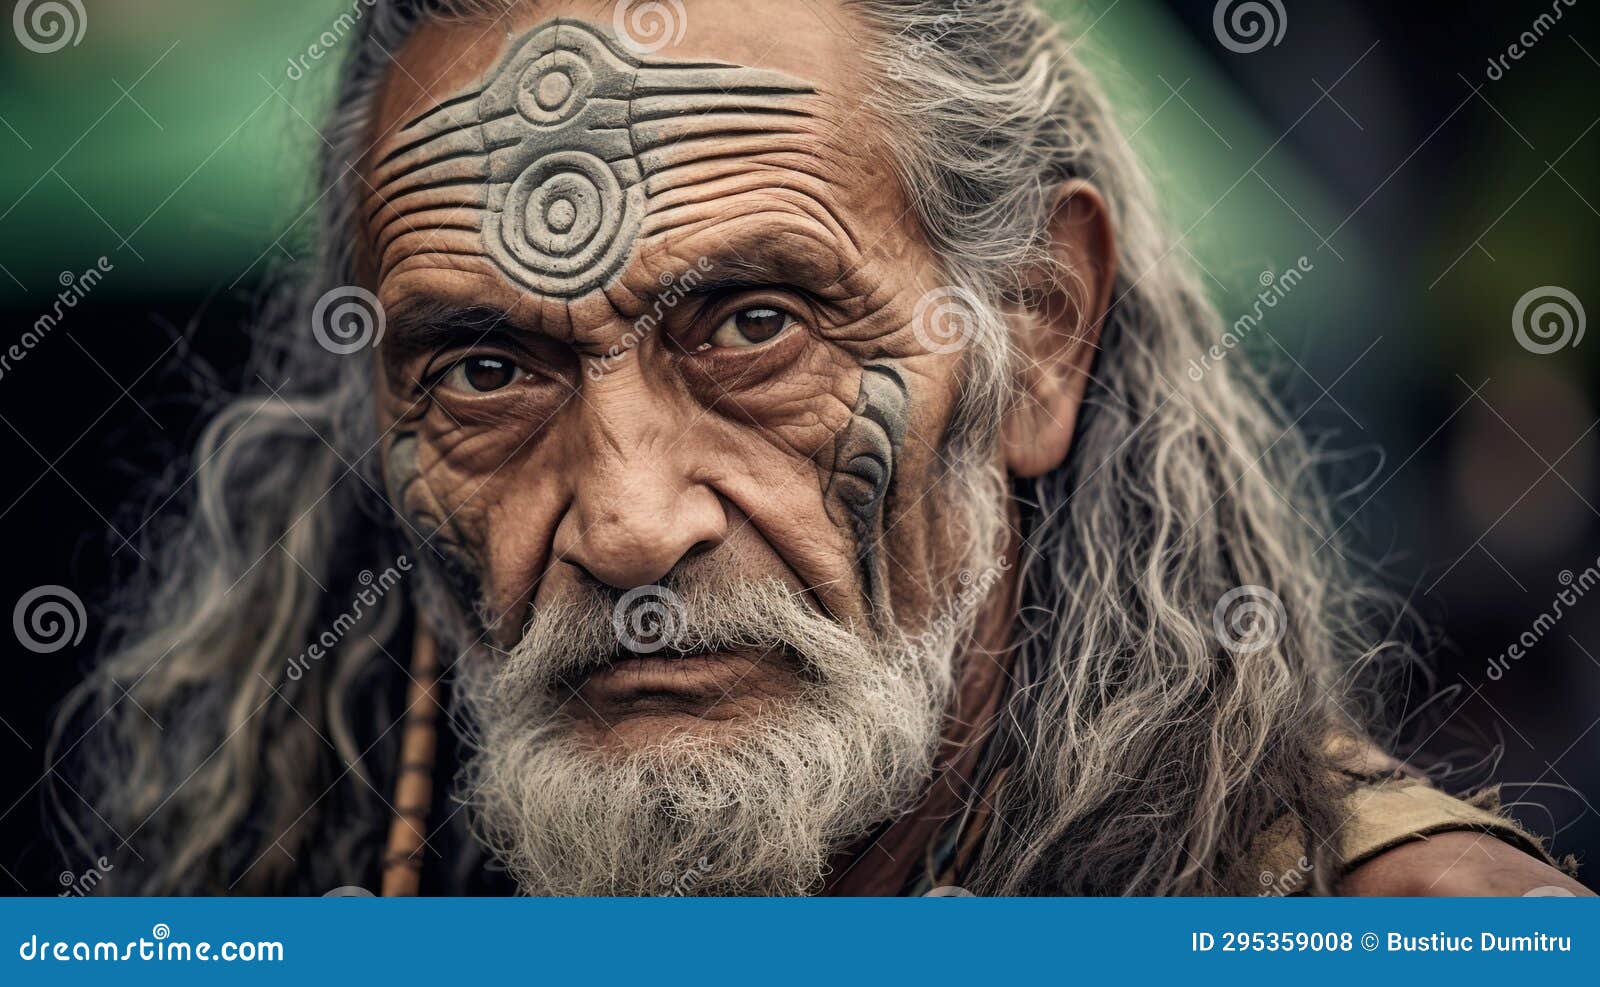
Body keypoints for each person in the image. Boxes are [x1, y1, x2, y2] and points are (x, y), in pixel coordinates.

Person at [54, 0, 1591, 897]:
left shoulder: (1418, 932)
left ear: (1039, 329)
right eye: (483, 366)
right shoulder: (275, 887)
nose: (630, 524)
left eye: (753, 330)